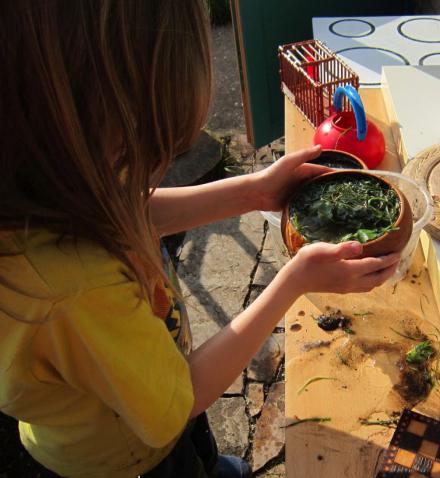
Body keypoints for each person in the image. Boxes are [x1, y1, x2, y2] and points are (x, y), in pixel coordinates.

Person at [0, 2, 400, 477]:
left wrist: (253, 191)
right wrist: (293, 283)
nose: (147, 170)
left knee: (201, 453)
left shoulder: (48, 188)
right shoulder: (75, 291)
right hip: (127, 459)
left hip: (154, 399)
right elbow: (182, 397)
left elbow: (132, 211)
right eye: (146, 149)